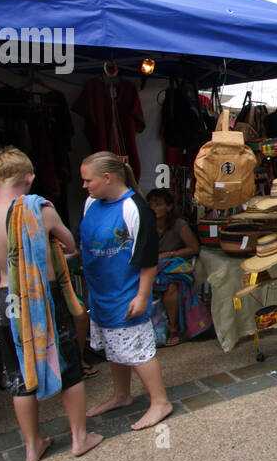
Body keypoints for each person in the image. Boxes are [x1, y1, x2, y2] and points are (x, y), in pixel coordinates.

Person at [0, 146, 102, 461]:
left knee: (18, 375)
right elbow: (71, 246)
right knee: (69, 367)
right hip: (46, 296)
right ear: (29, 177)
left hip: (8, 300)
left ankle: (32, 446)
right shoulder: (41, 210)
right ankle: (79, 438)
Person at [78, 151, 173, 430]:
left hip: (125, 291)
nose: (84, 186)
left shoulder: (135, 208)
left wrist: (142, 295)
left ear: (107, 178)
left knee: (137, 350)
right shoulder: (90, 203)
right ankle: (122, 394)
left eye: (88, 180)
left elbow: (148, 258)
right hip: (100, 291)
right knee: (113, 346)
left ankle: (160, 401)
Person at [146, 187, 203, 346]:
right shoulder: (144, 224)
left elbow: (194, 248)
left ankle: (173, 329)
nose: (153, 208)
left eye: (158, 204)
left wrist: (169, 255)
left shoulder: (179, 225)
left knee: (170, 286)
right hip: (151, 266)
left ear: (169, 207)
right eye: (150, 205)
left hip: (172, 265)